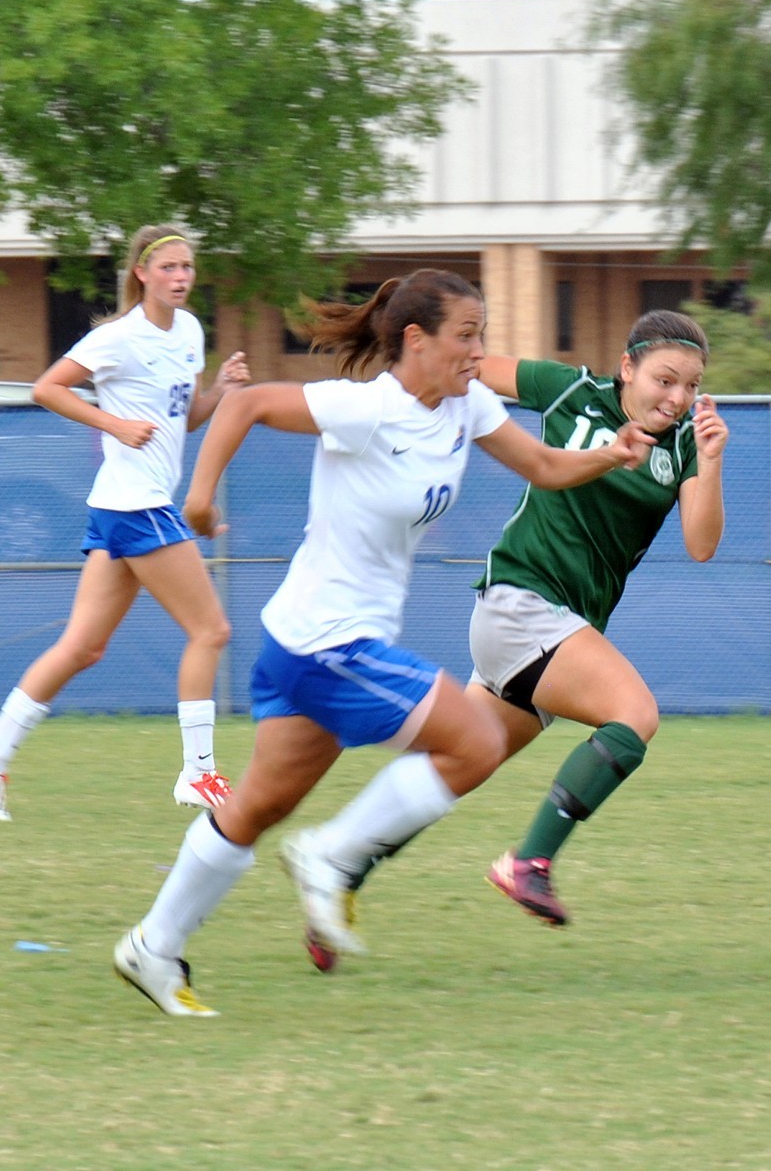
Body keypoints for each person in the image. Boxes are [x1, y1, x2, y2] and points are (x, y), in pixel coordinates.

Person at [113, 269, 655, 1016]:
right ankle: (330, 855)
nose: (479, 351)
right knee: (475, 743)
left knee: (254, 810)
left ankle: (153, 945)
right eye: (466, 336)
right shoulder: (367, 408)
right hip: (327, 644)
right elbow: (244, 403)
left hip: (308, 641)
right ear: (416, 340)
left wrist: (611, 454)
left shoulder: (466, 405)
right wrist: (199, 500)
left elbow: (542, 466)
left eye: (482, 335)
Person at [279, 309, 726, 956]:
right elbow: (469, 367)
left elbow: (702, 544)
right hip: (521, 603)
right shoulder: (572, 391)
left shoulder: (683, 443)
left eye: (691, 385)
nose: (678, 397)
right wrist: (404, 379)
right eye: (665, 379)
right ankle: (529, 863)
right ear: (627, 368)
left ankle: (341, 866)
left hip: (557, 628)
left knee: (458, 765)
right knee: (634, 714)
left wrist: (710, 461)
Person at [0, 225, 250, 821]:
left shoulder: (190, 331)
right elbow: (47, 389)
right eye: (168, 267)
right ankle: (199, 774)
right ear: (141, 273)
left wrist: (218, 390)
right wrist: (113, 424)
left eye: (188, 266)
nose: (181, 276)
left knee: (83, 646)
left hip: (123, 505)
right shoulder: (118, 338)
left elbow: (184, 419)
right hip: (137, 505)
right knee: (211, 631)